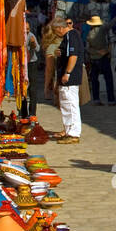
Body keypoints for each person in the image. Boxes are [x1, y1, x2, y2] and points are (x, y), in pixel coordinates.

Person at [45, 15, 83, 144]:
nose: (56, 34)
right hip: (66, 77)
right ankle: (68, 131)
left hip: (70, 78)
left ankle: (73, 133)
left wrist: (67, 73)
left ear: (60, 28)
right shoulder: (68, 37)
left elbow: (73, 55)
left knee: (70, 104)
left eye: (56, 31)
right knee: (66, 104)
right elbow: (66, 53)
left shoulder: (71, 36)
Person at [84, 15, 116, 106]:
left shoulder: (89, 34)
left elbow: (87, 48)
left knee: (95, 80)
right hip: (103, 57)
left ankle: (96, 99)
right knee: (108, 79)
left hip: (93, 58)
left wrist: (95, 52)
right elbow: (112, 23)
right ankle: (111, 100)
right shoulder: (103, 29)